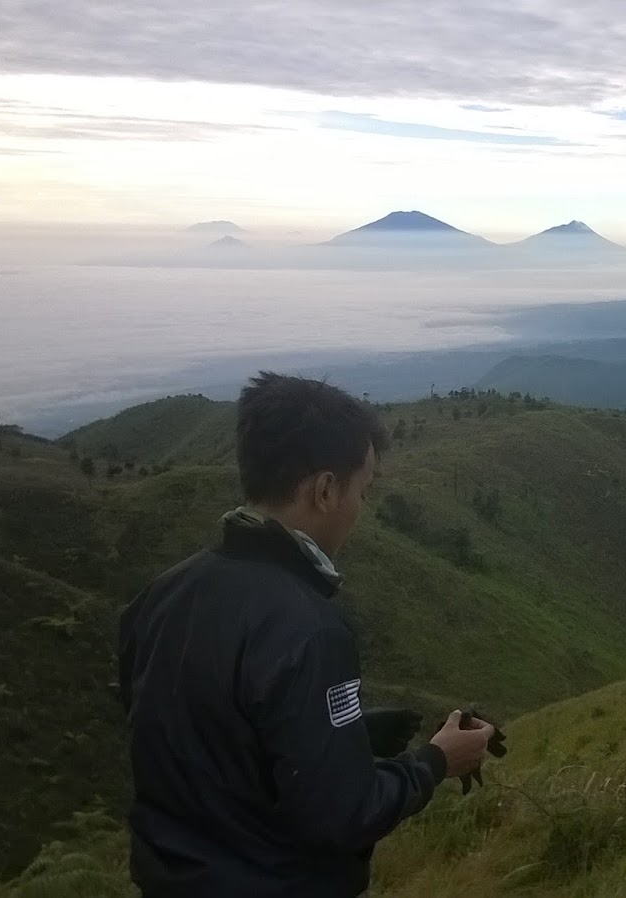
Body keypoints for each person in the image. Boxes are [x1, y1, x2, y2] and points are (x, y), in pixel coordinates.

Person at [116, 372, 495, 897]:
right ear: (324, 490)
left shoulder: (159, 597)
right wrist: (436, 761)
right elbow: (342, 816)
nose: (360, 512)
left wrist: (348, 735)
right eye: (361, 492)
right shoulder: (308, 628)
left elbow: (204, 745)